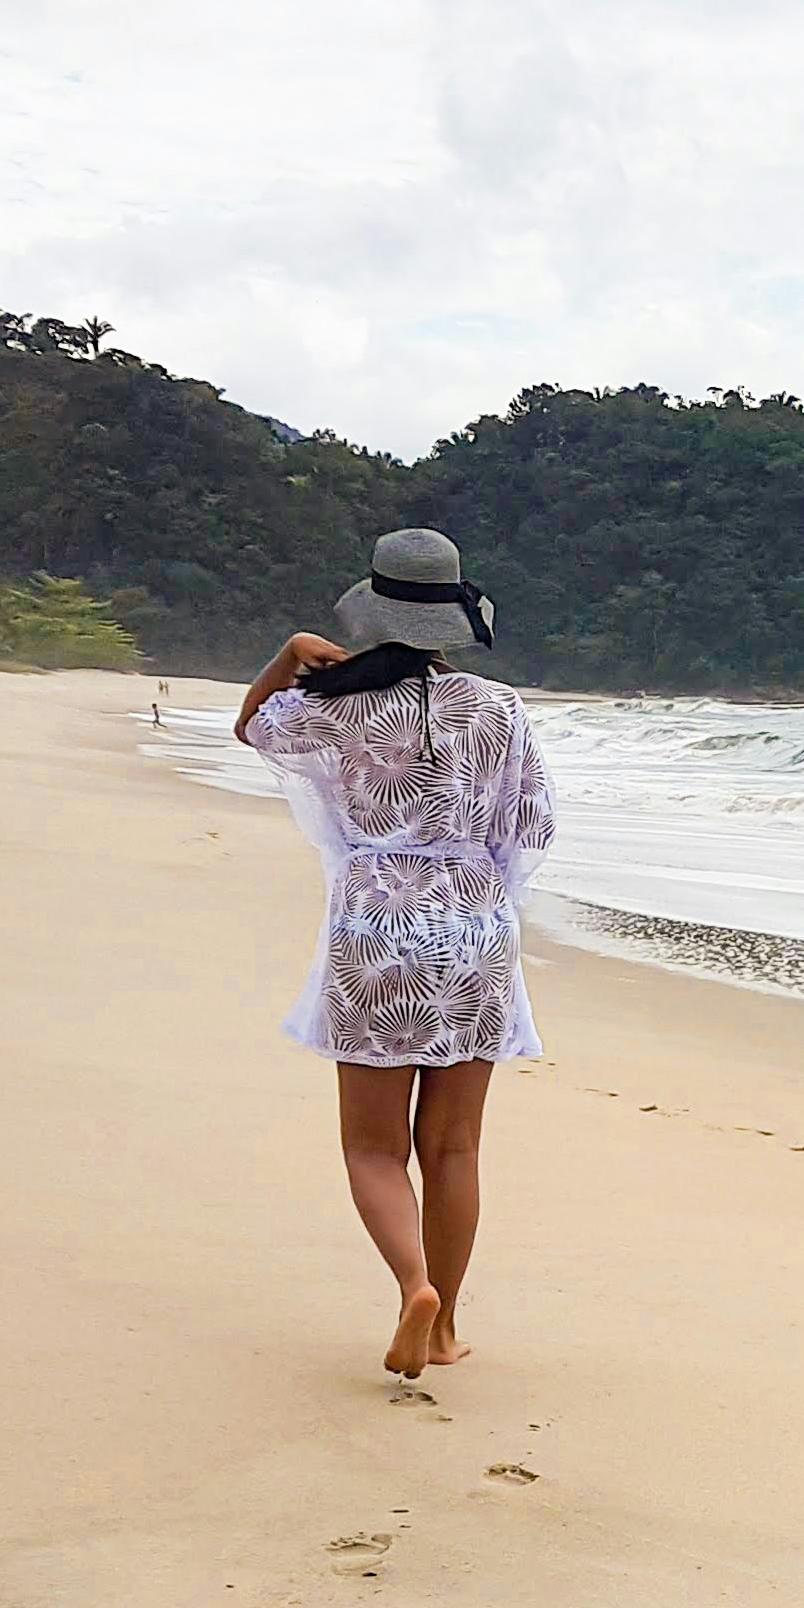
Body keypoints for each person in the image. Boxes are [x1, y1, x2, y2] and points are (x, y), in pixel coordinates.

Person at [236, 528, 557, 1376]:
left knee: (374, 1149)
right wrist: (480, 897)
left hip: (376, 930)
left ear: (373, 610)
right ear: (455, 618)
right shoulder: (499, 709)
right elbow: (531, 828)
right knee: (455, 1148)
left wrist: (290, 654)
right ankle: (444, 1324)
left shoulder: (332, 704)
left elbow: (252, 728)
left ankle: (412, 1282)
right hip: (476, 931)